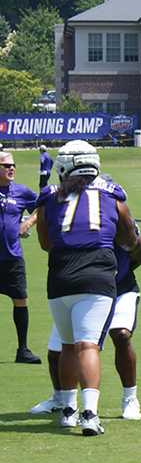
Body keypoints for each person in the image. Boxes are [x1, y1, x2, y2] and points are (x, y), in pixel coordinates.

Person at [34, 141, 138, 436]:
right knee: (87, 344)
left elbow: (44, 243)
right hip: (97, 271)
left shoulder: (49, 198)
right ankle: (90, 413)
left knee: (68, 345)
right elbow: (129, 239)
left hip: (60, 273)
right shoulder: (113, 195)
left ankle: (68, 411)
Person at [33, 224, 141, 420]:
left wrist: (120, 272)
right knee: (57, 350)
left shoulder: (112, 215)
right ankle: (60, 399)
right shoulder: (69, 217)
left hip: (120, 289)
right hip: (82, 290)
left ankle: (130, 398)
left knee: (121, 335)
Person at [0, 151, 41, 364]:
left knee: (20, 301)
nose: (11, 168)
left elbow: (42, 206)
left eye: (12, 165)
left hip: (12, 258)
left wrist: (28, 223)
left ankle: (22, 350)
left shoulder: (21, 192)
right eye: (6, 165)